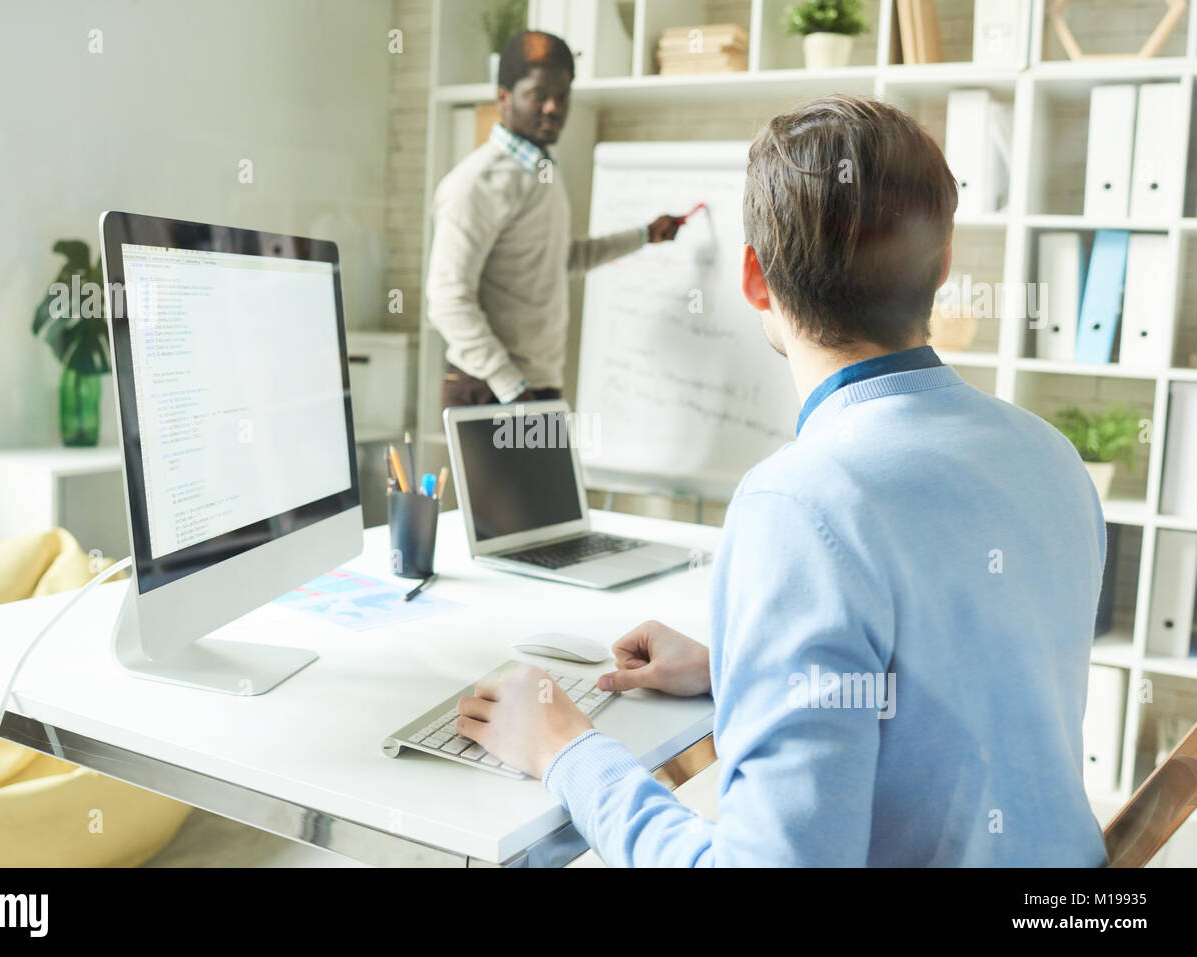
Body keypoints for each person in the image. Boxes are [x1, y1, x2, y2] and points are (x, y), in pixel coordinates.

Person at [454, 94, 1110, 867]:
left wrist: (569, 750)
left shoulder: (801, 506)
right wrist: (741, 663)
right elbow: (966, 680)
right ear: (942, 266)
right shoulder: (1051, 455)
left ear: (755, 278)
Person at [427, 31, 685, 409]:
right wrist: (510, 386)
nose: (553, 107)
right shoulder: (476, 184)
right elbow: (447, 300)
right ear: (504, 97)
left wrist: (645, 234)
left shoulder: (542, 170)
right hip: (488, 388)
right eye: (538, 95)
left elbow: (560, 258)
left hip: (535, 385)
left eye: (562, 96)